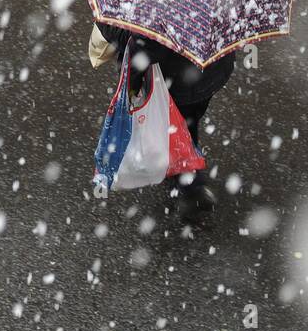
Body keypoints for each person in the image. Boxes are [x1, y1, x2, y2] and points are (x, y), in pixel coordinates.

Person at [89, 20, 236, 219]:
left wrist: (132, 90)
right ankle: (185, 171)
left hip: (176, 80)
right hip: (212, 69)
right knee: (188, 121)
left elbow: (143, 47)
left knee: (177, 126)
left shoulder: (153, 13)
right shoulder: (207, 8)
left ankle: (190, 184)